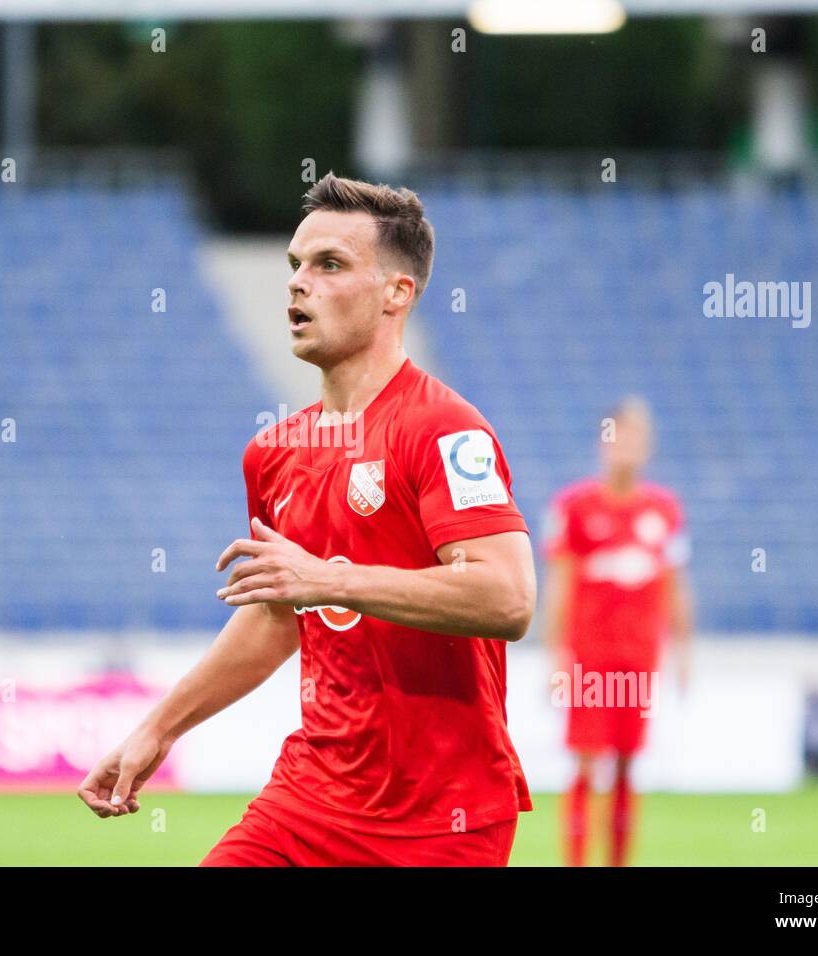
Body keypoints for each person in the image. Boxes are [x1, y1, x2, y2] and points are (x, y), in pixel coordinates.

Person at [78, 172, 537, 866]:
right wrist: (160, 729)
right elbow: (279, 614)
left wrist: (332, 580)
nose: (298, 283)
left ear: (397, 293)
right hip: (310, 804)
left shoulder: (443, 429)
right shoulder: (274, 452)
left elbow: (507, 597)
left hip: (441, 820)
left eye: (330, 265)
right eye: (296, 264)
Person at [541, 397, 693, 866]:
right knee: (588, 763)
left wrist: (684, 653)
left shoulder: (664, 511)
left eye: (637, 437)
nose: (628, 446)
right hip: (590, 659)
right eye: (619, 435)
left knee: (628, 766)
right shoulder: (575, 507)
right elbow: (559, 588)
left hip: (640, 658)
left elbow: (675, 587)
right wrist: (555, 660)